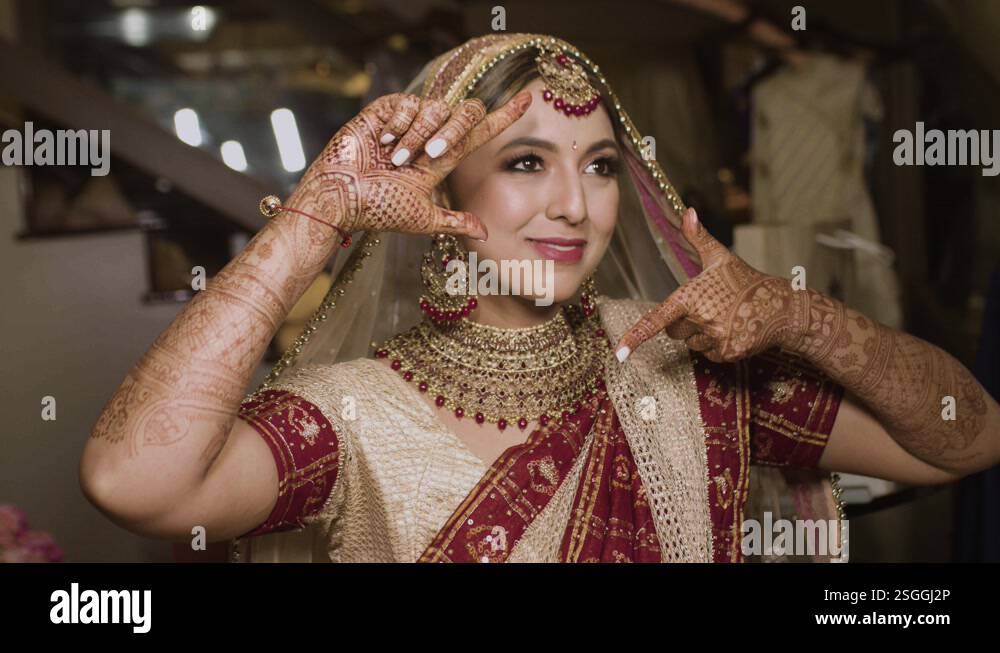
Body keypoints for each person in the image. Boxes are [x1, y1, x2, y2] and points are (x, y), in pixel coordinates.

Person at [80, 33, 1000, 563]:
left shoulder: (684, 362)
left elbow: (970, 435)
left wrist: (800, 316)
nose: (575, 203)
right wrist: (318, 213)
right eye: (526, 163)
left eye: (601, 167)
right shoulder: (353, 415)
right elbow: (133, 480)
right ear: (438, 190)